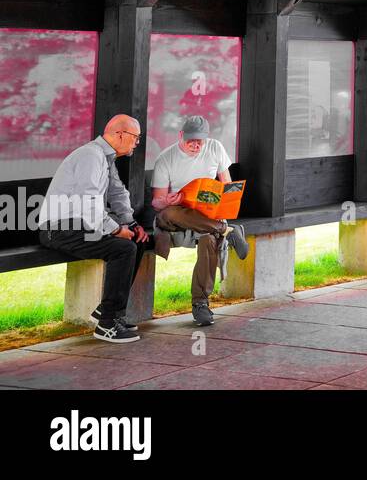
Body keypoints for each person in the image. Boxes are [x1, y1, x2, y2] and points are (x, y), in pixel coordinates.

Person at [37, 114, 149, 343]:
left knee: (137, 242)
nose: (137, 143)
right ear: (120, 134)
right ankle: (107, 324)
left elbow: (118, 193)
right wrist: (116, 230)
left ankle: (107, 311)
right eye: (136, 138)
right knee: (123, 249)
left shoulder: (105, 158)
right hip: (60, 228)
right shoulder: (91, 156)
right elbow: (86, 203)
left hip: (79, 225)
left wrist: (131, 224)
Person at [150, 115, 249, 326]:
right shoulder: (166, 158)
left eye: (200, 141)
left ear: (207, 138)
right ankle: (227, 230)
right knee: (168, 213)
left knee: (208, 239)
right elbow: (156, 203)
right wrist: (166, 200)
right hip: (177, 214)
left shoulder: (215, 148)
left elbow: (227, 186)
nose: (195, 145)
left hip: (206, 215)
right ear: (180, 136)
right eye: (190, 140)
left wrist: (221, 204)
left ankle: (200, 304)